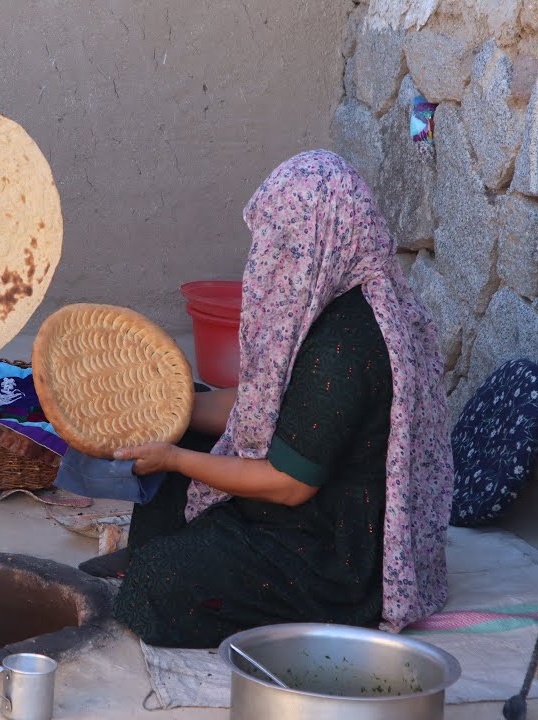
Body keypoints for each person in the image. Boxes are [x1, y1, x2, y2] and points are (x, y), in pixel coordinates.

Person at [90, 150, 453, 647]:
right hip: (309, 484)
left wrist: (174, 459)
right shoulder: (351, 292)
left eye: (282, 242)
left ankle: (158, 561)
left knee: (158, 582)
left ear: (318, 238)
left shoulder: (345, 344)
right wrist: (164, 412)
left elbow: (287, 485)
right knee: (183, 413)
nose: (268, 256)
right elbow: (259, 406)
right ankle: (164, 547)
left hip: (334, 553)